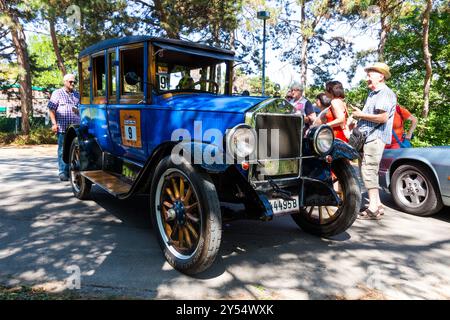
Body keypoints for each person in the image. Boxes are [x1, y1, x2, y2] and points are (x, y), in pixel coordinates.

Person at [351, 62, 397, 220]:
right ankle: (376, 205)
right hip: (369, 138)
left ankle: (373, 209)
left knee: (369, 170)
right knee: (369, 170)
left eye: (370, 74)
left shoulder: (384, 93)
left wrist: (360, 115)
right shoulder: (373, 94)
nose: (367, 78)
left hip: (375, 138)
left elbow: (382, 118)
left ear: (381, 76)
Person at [48, 74, 81, 181]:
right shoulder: (57, 93)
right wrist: (54, 124)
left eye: (74, 82)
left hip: (75, 128)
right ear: (65, 82)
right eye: (70, 81)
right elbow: (51, 109)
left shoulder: (77, 94)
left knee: (75, 150)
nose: (72, 83)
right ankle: (63, 171)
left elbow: (80, 108)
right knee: (62, 149)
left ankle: (72, 171)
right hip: (62, 128)